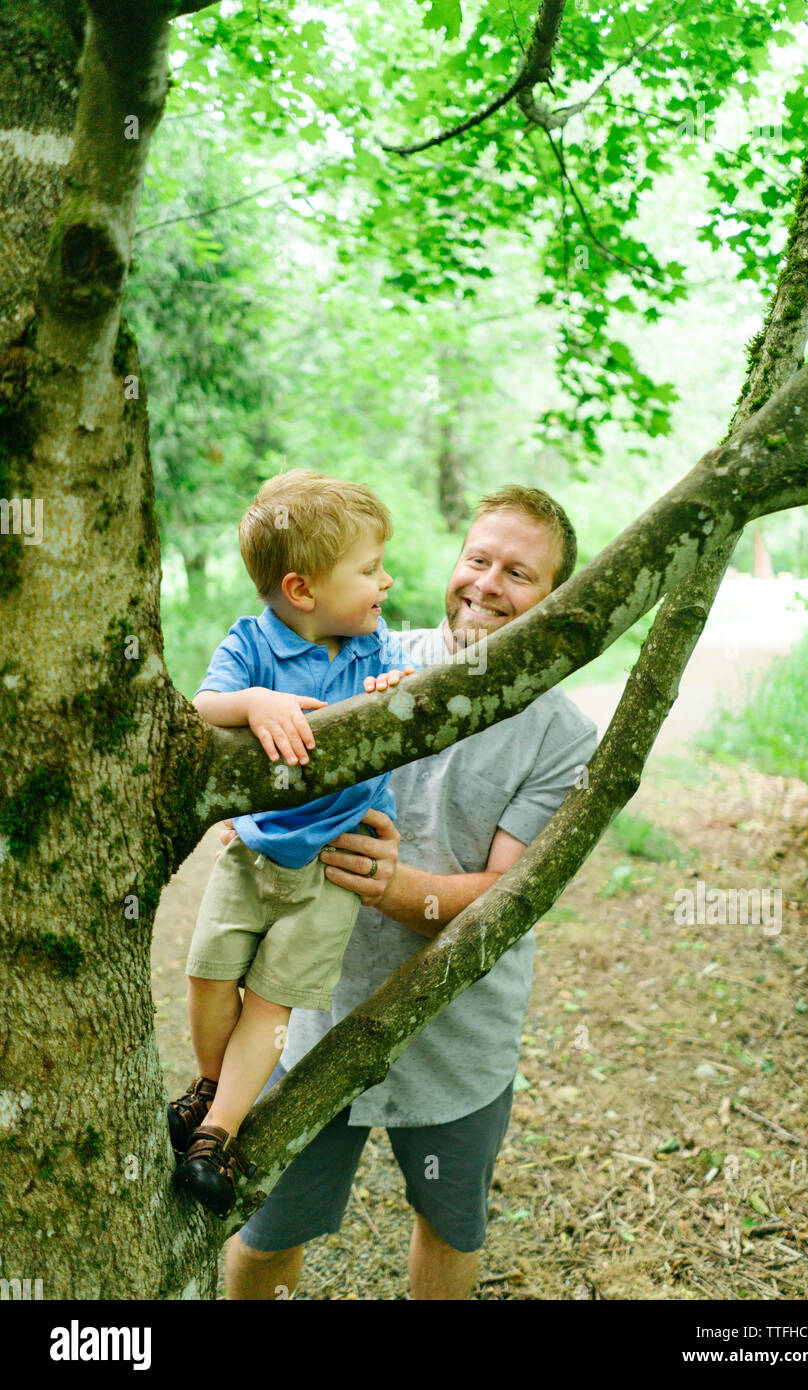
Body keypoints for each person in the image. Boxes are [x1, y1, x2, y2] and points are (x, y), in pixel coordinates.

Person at [222, 484, 598, 1299]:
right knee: (263, 1231)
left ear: (555, 596)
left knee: (447, 1225)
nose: (487, 584)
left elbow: (511, 892)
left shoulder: (561, 733)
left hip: (457, 1030)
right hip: (311, 1013)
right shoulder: (364, 657)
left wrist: (399, 887)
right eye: (478, 559)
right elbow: (267, 744)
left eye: (518, 574)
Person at [169, 470, 415, 1217]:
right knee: (211, 977)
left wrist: (390, 696)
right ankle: (210, 1083)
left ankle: (216, 1132)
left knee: (271, 1003)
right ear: (302, 590)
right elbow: (204, 706)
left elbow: (399, 704)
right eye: (369, 570)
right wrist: (255, 701)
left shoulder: (376, 648)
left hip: (329, 869)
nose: (386, 581)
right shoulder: (249, 644)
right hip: (251, 853)